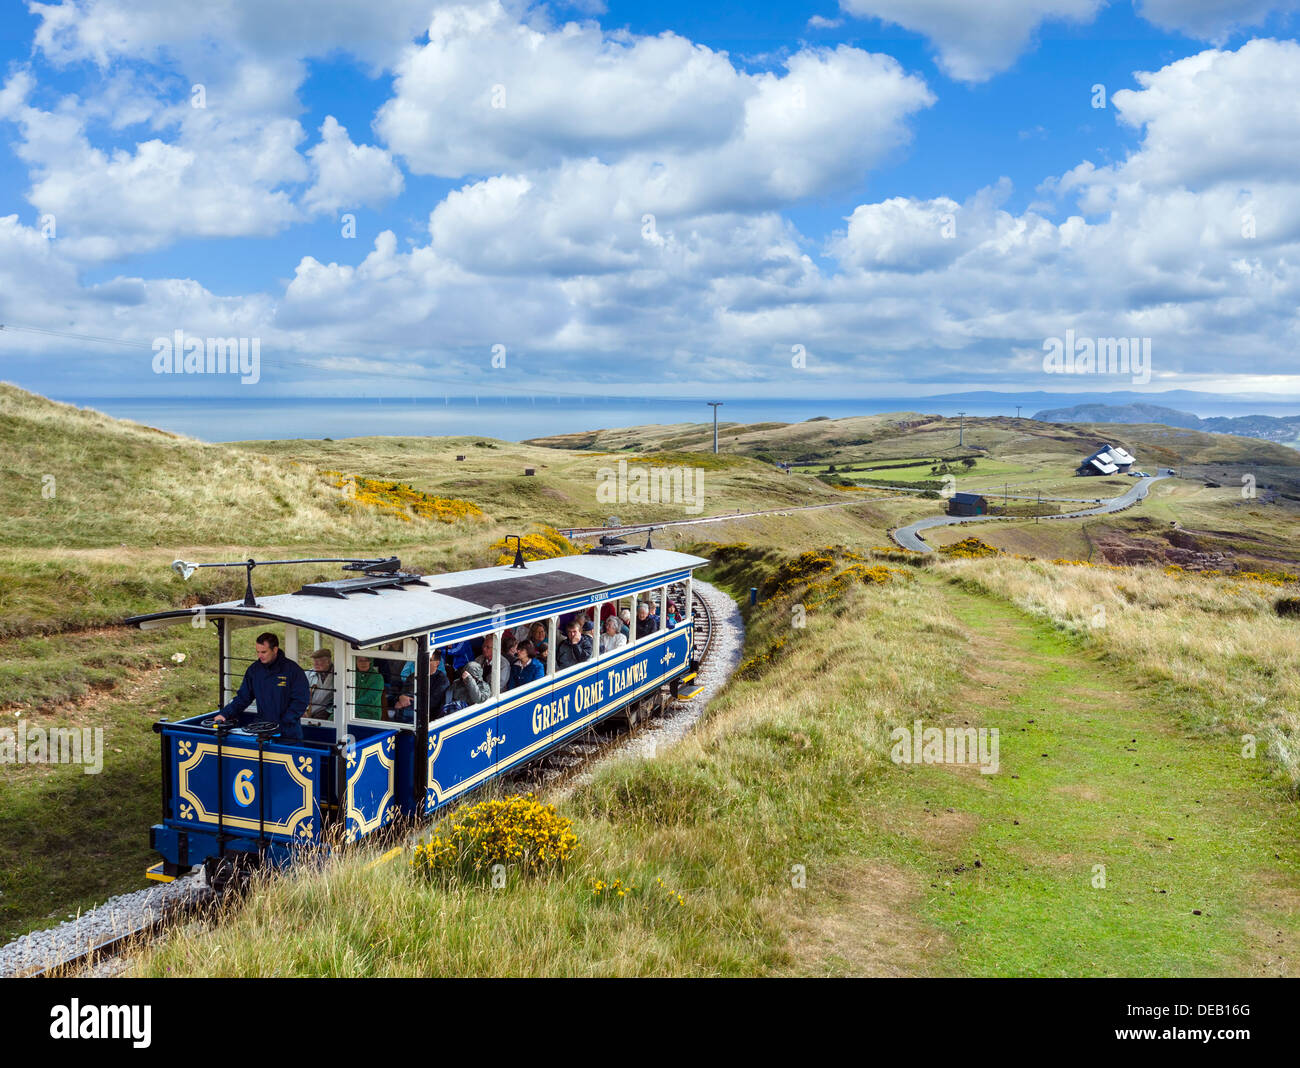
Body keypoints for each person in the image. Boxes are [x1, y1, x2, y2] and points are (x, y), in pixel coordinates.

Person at [213, 632, 309, 741]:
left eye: (264, 652)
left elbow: (301, 701)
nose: (259, 656)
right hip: (261, 732)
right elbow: (243, 698)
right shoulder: (254, 671)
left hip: (288, 735)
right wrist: (224, 714)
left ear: (275, 650)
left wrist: (285, 722)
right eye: (257, 652)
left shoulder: (293, 670)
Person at [390, 649, 450, 723]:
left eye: (429, 660)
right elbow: (404, 691)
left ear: (437, 663)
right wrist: (401, 697)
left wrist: (409, 702)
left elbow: (432, 703)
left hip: (428, 719)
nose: (424, 662)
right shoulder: (414, 676)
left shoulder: (442, 680)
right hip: (407, 714)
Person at [352, 654, 385, 720]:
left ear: (370, 662)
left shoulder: (378, 677)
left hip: (370, 714)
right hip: (351, 711)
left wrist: (350, 708)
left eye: (366, 660)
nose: (363, 663)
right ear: (355, 662)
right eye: (360, 660)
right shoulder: (351, 674)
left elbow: (370, 698)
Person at [305, 648, 335, 721]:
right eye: (314, 661)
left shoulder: (338, 676)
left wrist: (328, 711)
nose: (315, 664)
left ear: (328, 661)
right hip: (305, 713)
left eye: (318, 661)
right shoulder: (307, 674)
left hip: (325, 714)